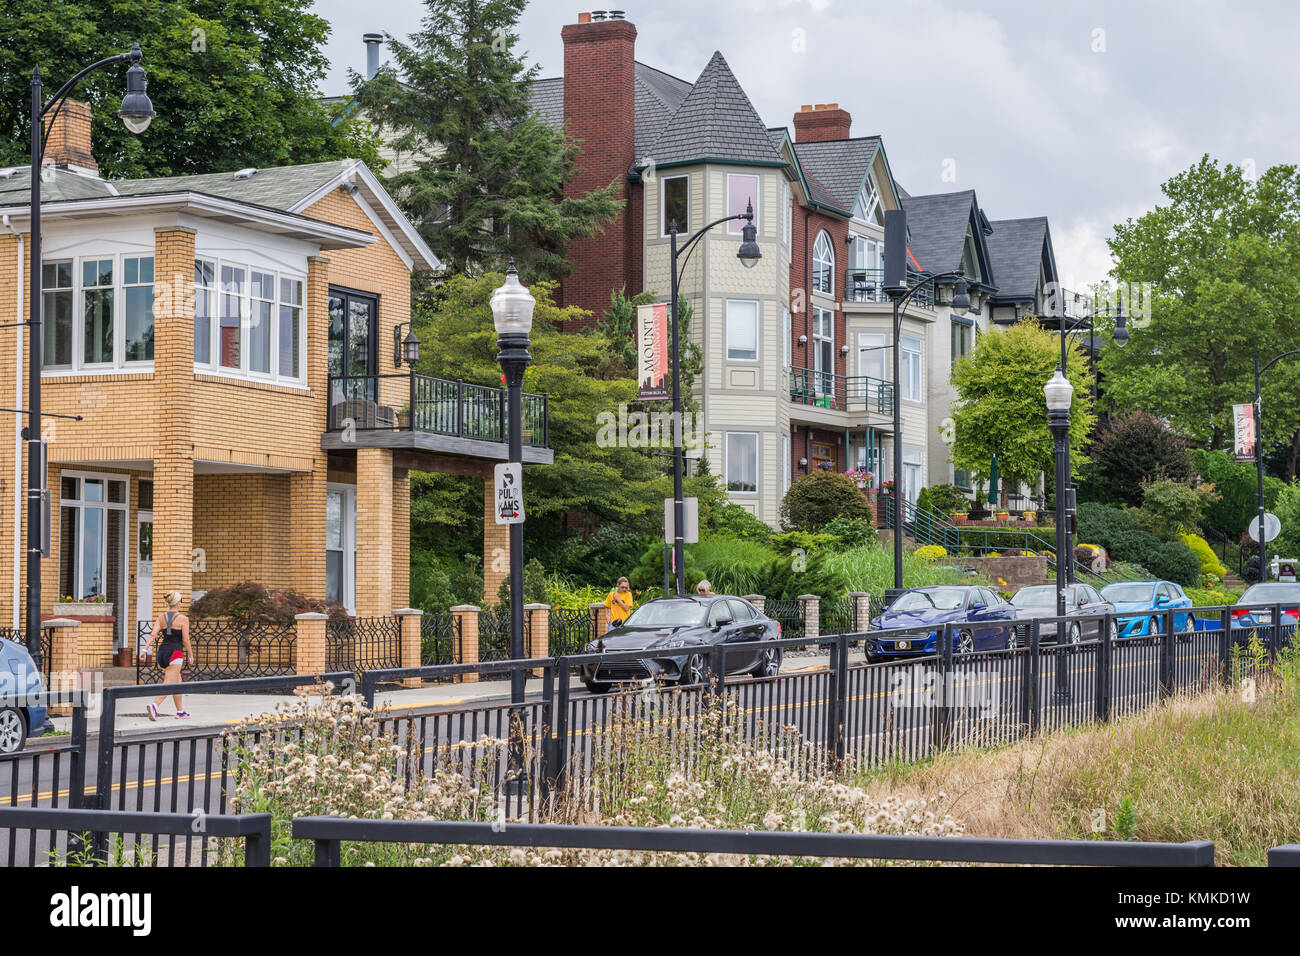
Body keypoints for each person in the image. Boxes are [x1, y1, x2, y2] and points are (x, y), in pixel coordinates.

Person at [140, 591, 194, 720]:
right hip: (175, 653)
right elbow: (186, 640)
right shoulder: (183, 619)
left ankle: (180, 711)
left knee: (177, 681)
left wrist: (144, 650)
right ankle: (154, 705)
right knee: (169, 683)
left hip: (162, 653)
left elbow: (153, 635)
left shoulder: (161, 617)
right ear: (179, 602)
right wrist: (190, 655)